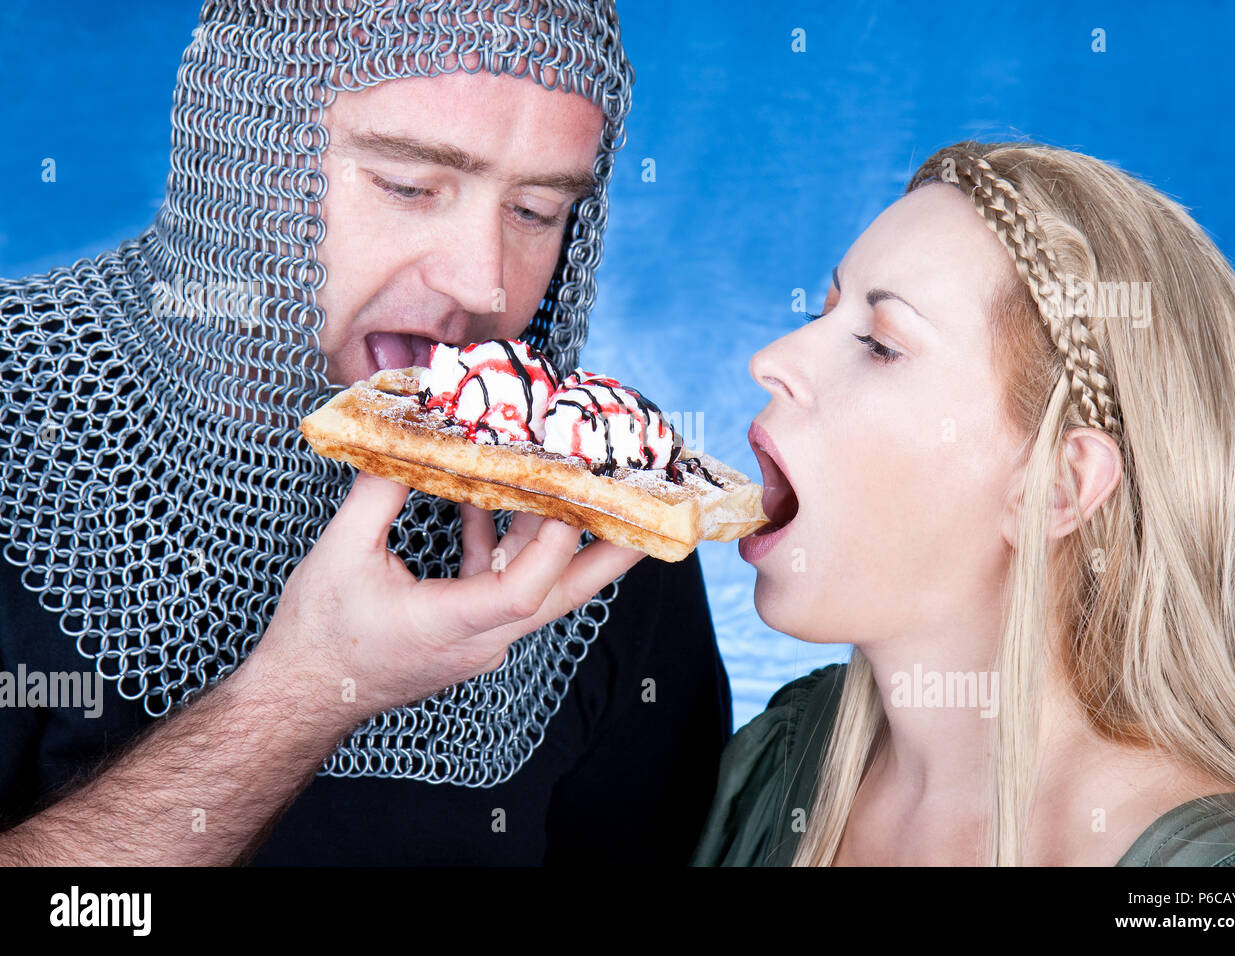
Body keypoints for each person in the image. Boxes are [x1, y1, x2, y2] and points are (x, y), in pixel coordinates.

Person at [0, 1, 732, 865]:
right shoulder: (21, 414)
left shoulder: (588, 521)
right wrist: (306, 691)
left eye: (535, 211)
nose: (484, 282)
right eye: (408, 186)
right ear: (243, 153)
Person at [693, 140, 1235, 866]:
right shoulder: (781, 766)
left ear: (1057, 487)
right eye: (826, 311)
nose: (772, 359)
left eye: (880, 344)